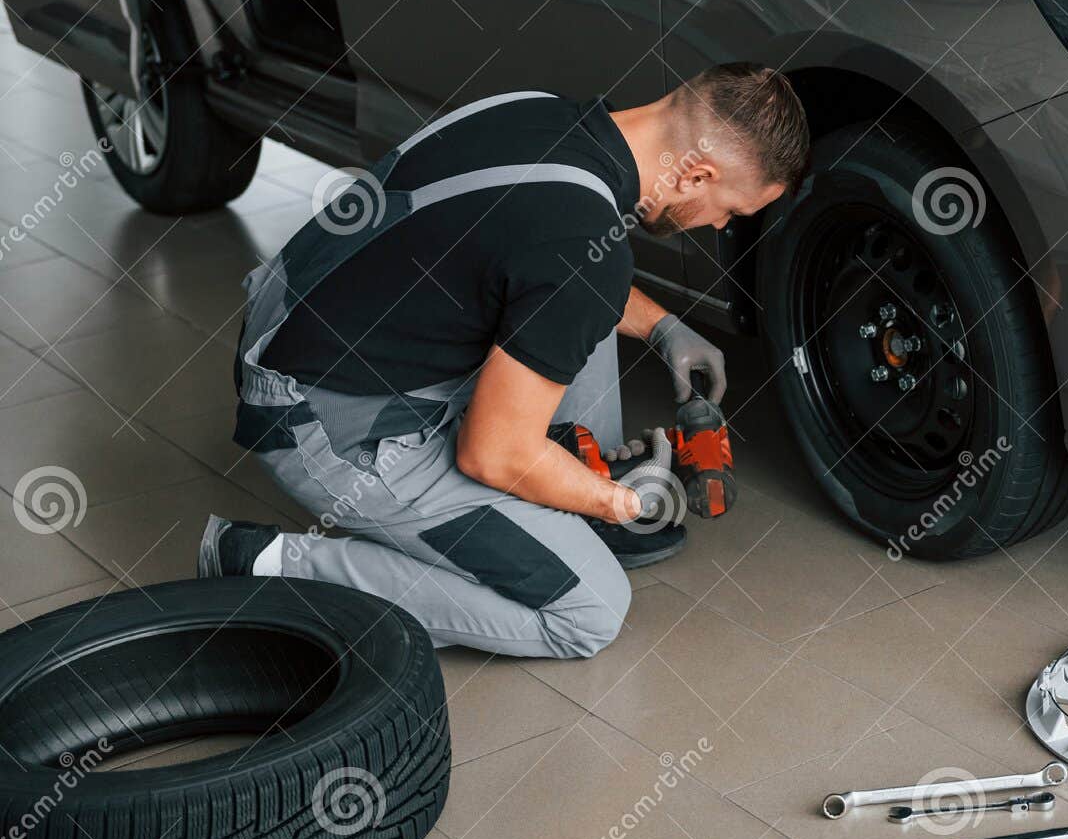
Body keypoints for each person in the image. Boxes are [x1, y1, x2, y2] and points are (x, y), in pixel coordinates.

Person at [197, 63, 809, 659]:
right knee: (589, 610)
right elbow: (488, 452)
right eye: (730, 212)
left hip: (291, 327)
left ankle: (546, 502)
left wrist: (663, 326)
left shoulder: (537, 109)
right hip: (329, 425)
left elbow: (541, 257)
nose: (717, 225)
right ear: (696, 175)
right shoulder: (583, 251)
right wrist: (619, 502)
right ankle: (265, 566)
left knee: (583, 307)